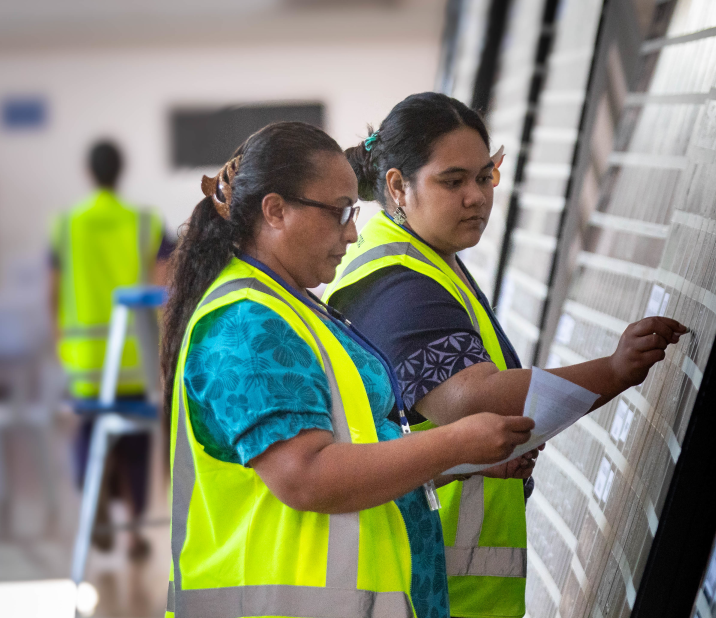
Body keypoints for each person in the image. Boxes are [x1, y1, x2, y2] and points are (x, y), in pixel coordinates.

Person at [325, 92, 688, 618]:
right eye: (453, 182)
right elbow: (470, 403)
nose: (476, 197)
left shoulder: (428, 257)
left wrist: (487, 455)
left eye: (484, 176)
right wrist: (612, 372)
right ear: (398, 186)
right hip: (432, 593)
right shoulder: (394, 282)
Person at [159, 121, 539, 618]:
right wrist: (455, 442)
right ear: (275, 211)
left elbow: (354, 445)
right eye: (340, 213)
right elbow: (305, 475)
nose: (353, 232)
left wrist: (452, 465)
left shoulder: (292, 307)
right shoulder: (248, 325)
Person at [49, 139, 173, 559]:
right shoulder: (145, 222)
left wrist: (59, 340)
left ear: (89, 173)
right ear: (122, 171)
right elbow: (164, 287)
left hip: (85, 358)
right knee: (136, 446)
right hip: (134, 358)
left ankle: (93, 503)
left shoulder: (68, 224)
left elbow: (52, 291)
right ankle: (135, 533)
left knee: (89, 431)